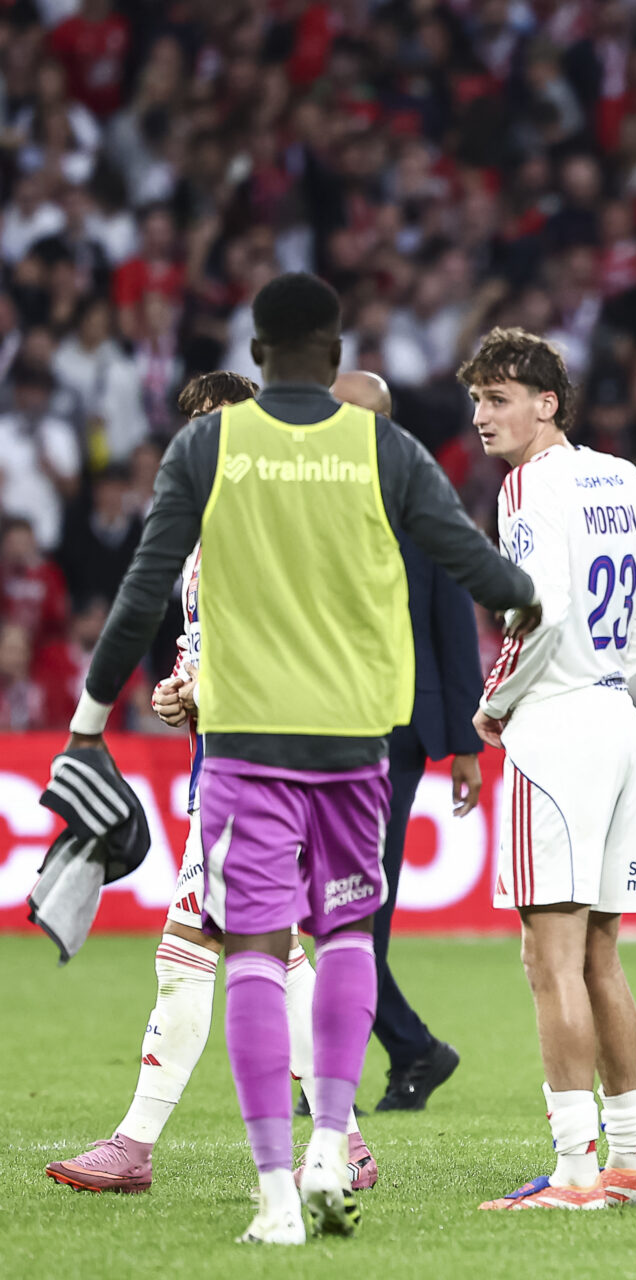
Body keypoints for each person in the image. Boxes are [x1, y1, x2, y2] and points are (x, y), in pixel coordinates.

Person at [55, 273, 540, 1245]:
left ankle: (280, 1181)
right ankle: (334, 1141)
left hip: (245, 752)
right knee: (343, 938)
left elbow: (141, 593)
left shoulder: (212, 454)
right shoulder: (379, 449)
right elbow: (481, 573)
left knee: (242, 954)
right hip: (354, 744)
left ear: (258, 349)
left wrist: (87, 718)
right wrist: (532, 597)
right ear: (335, 346)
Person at [43, 372, 375, 1197]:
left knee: (187, 951)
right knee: (280, 951)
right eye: (196, 425)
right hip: (233, 756)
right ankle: (346, 1141)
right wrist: (182, 690)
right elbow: (208, 643)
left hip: (272, 762)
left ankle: (135, 1142)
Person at [461, 326, 636, 1210]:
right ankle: (633, 1157)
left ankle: (575, 1169)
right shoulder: (621, 475)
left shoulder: (528, 486)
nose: (483, 416)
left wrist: (501, 701)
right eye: (477, 399)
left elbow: (540, 613)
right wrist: (604, 664)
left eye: (499, 398)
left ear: (546, 403)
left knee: (547, 956)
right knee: (598, 952)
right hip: (618, 720)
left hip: (555, 729)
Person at [331, 370, 472, 1113]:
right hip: (323, 724)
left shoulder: (422, 496)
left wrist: (468, 745)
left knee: (354, 906)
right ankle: (407, 1050)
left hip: (393, 734)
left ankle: (376, 1060)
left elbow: (452, 618)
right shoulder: (313, 492)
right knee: (333, 906)